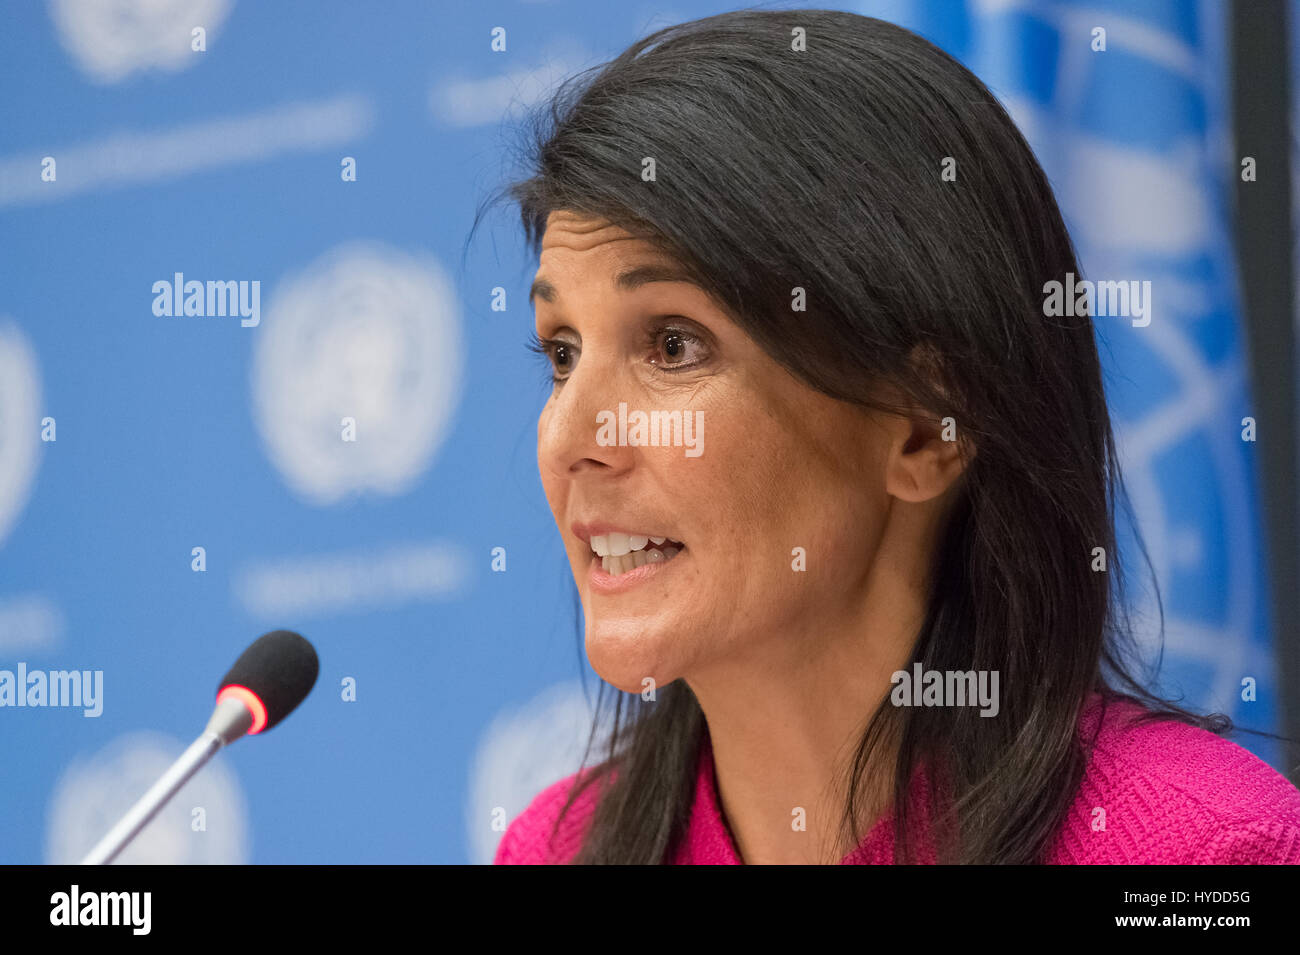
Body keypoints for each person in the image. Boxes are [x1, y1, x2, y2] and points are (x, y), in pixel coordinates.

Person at [480, 8, 1300, 864]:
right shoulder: (555, 848)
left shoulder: (1205, 856)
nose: (572, 437)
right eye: (562, 353)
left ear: (924, 430)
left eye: (673, 345)